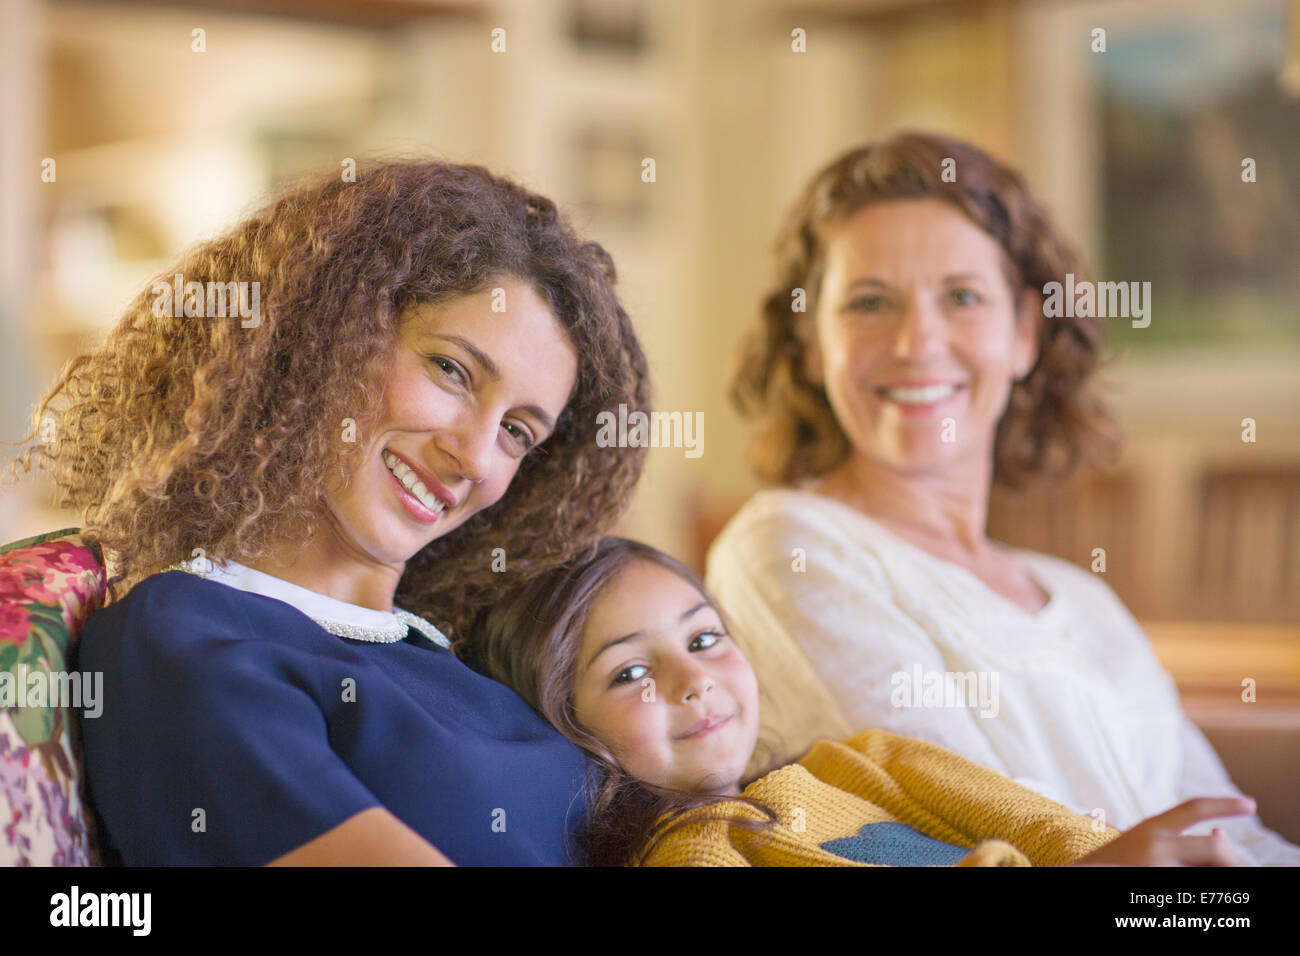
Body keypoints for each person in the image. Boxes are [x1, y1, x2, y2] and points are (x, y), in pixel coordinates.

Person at [12, 160, 651, 865]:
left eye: (517, 432)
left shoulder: (475, 651)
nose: (474, 456)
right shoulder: (188, 635)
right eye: (451, 370)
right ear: (326, 334)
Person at [705, 131, 1300, 865]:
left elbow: (1232, 834)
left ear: (1023, 332)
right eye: (869, 302)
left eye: (961, 296)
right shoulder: (789, 548)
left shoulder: (1084, 603)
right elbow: (967, 823)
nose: (917, 341)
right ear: (809, 344)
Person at [472, 536, 1254, 867]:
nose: (694, 679)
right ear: (563, 727)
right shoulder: (691, 850)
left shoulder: (867, 762)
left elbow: (1052, 830)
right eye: (629, 673)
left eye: (704, 639)